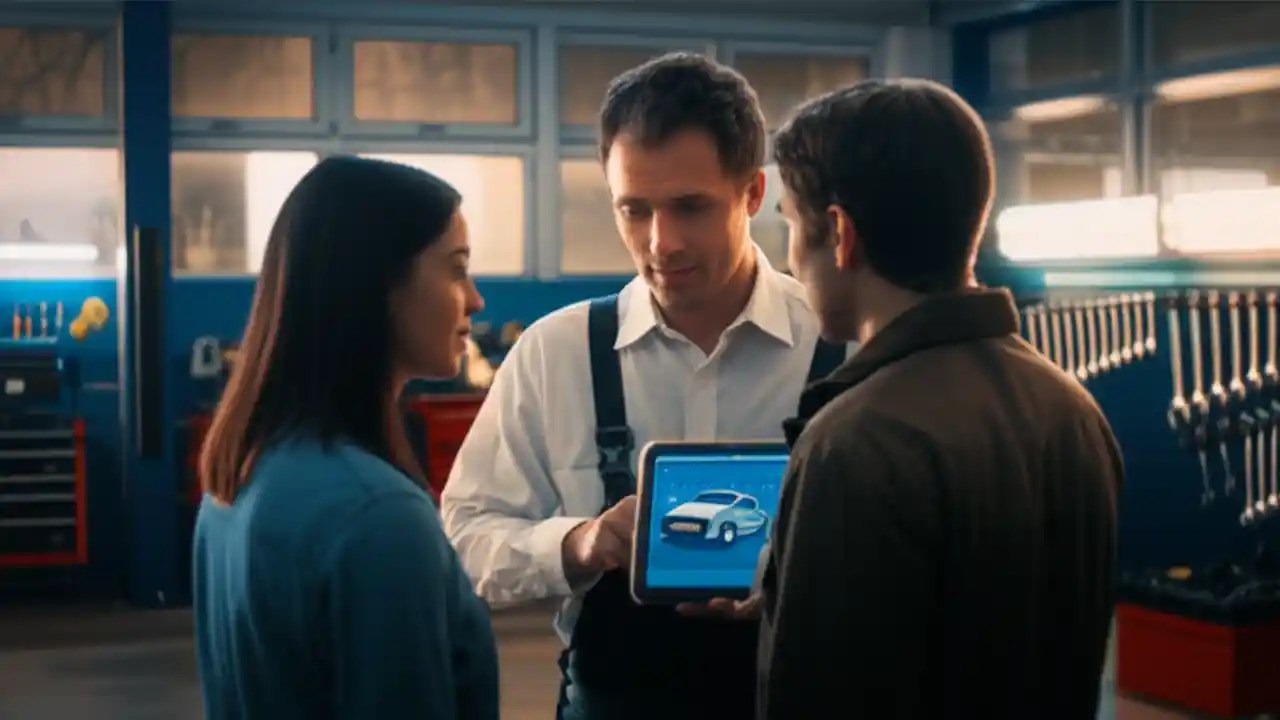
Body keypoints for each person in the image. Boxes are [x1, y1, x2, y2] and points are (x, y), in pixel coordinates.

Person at [440, 53, 846, 719]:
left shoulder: (837, 345)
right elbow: (462, 537)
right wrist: (578, 544)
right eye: (634, 209)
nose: (662, 243)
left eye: (690, 208)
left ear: (752, 194)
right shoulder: (557, 353)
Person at [758, 78, 1123, 718]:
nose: (788, 261)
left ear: (840, 234)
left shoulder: (855, 442)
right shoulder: (1074, 410)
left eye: (789, 224)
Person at [192, 156, 498, 720]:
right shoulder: (379, 516)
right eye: (456, 268)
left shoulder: (236, 480)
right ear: (380, 283)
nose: (475, 299)